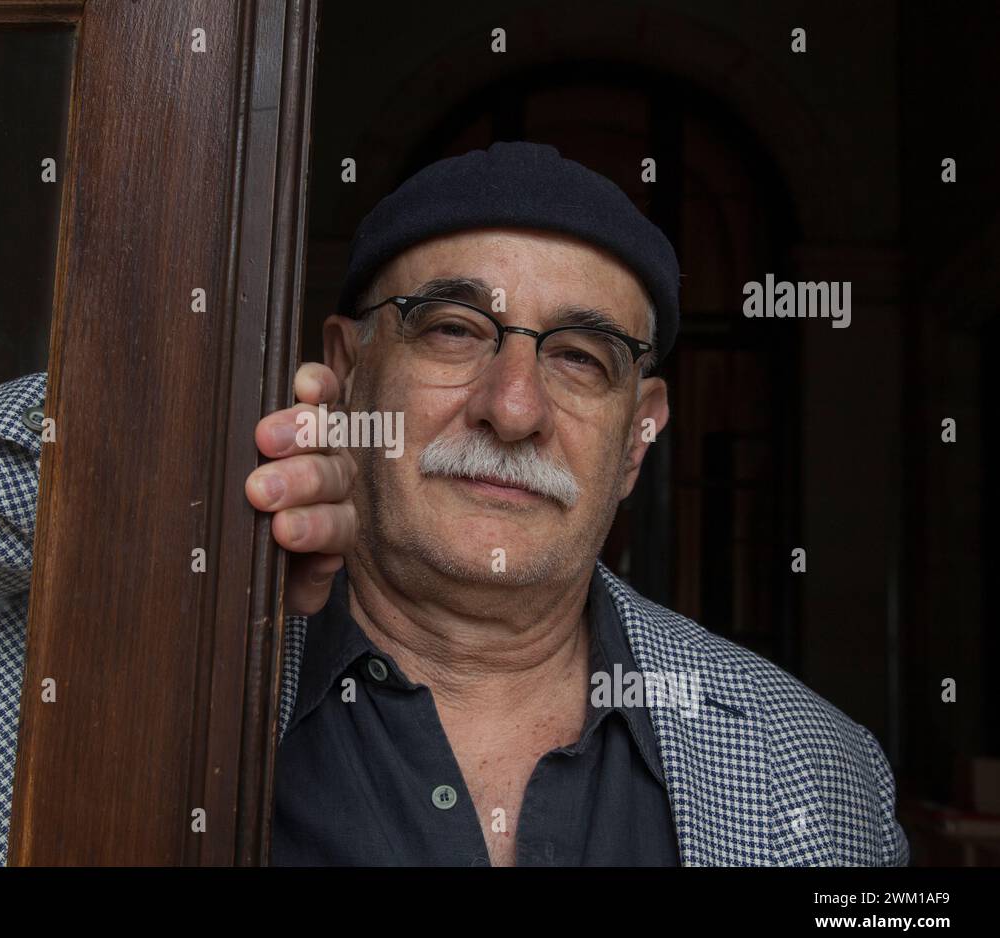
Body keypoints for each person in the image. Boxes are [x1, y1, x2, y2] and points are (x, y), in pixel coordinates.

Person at [249, 142, 908, 866]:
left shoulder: (818, 772)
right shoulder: (189, 682)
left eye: (579, 358)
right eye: (453, 330)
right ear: (346, 373)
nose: (514, 408)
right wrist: (227, 615)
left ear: (636, 437)